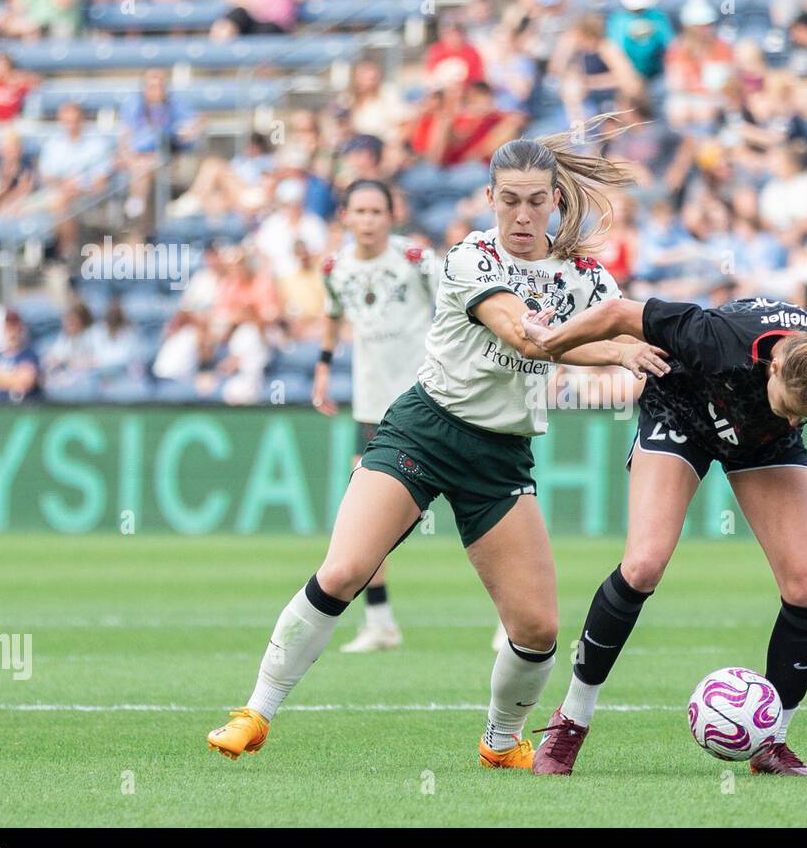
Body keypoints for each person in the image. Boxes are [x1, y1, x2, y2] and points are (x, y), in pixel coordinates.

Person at [206, 119, 671, 770]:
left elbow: (606, 325)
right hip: (425, 428)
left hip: (501, 452)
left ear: (556, 200)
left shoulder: (583, 275)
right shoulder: (471, 257)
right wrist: (615, 346)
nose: (521, 213)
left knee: (537, 629)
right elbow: (524, 334)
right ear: (489, 198)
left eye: (536, 200)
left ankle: (501, 742)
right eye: (508, 199)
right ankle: (254, 711)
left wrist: (631, 342)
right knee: (344, 570)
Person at [517, 295, 807, 775]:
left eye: (805, 417)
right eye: (789, 406)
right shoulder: (714, 338)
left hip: (761, 443)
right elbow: (620, 313)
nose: (794, 420)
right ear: (776, 364)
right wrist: (550, 341)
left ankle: (771, 741)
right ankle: (570, 722)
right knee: (643, 564)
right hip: (682, 410)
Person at [311, 179, 439, 654]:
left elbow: (460, 305)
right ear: (345, 215)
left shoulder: (416, 260)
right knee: (365, 519)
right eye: (359, 211)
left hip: (426, 400)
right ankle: (380, 621)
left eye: (376, 211)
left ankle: (508, 621)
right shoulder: (335, 268)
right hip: (370, 409)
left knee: (474, 512)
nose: (367, 220)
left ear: (391, 215)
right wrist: (322, 369)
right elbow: (331, 315)